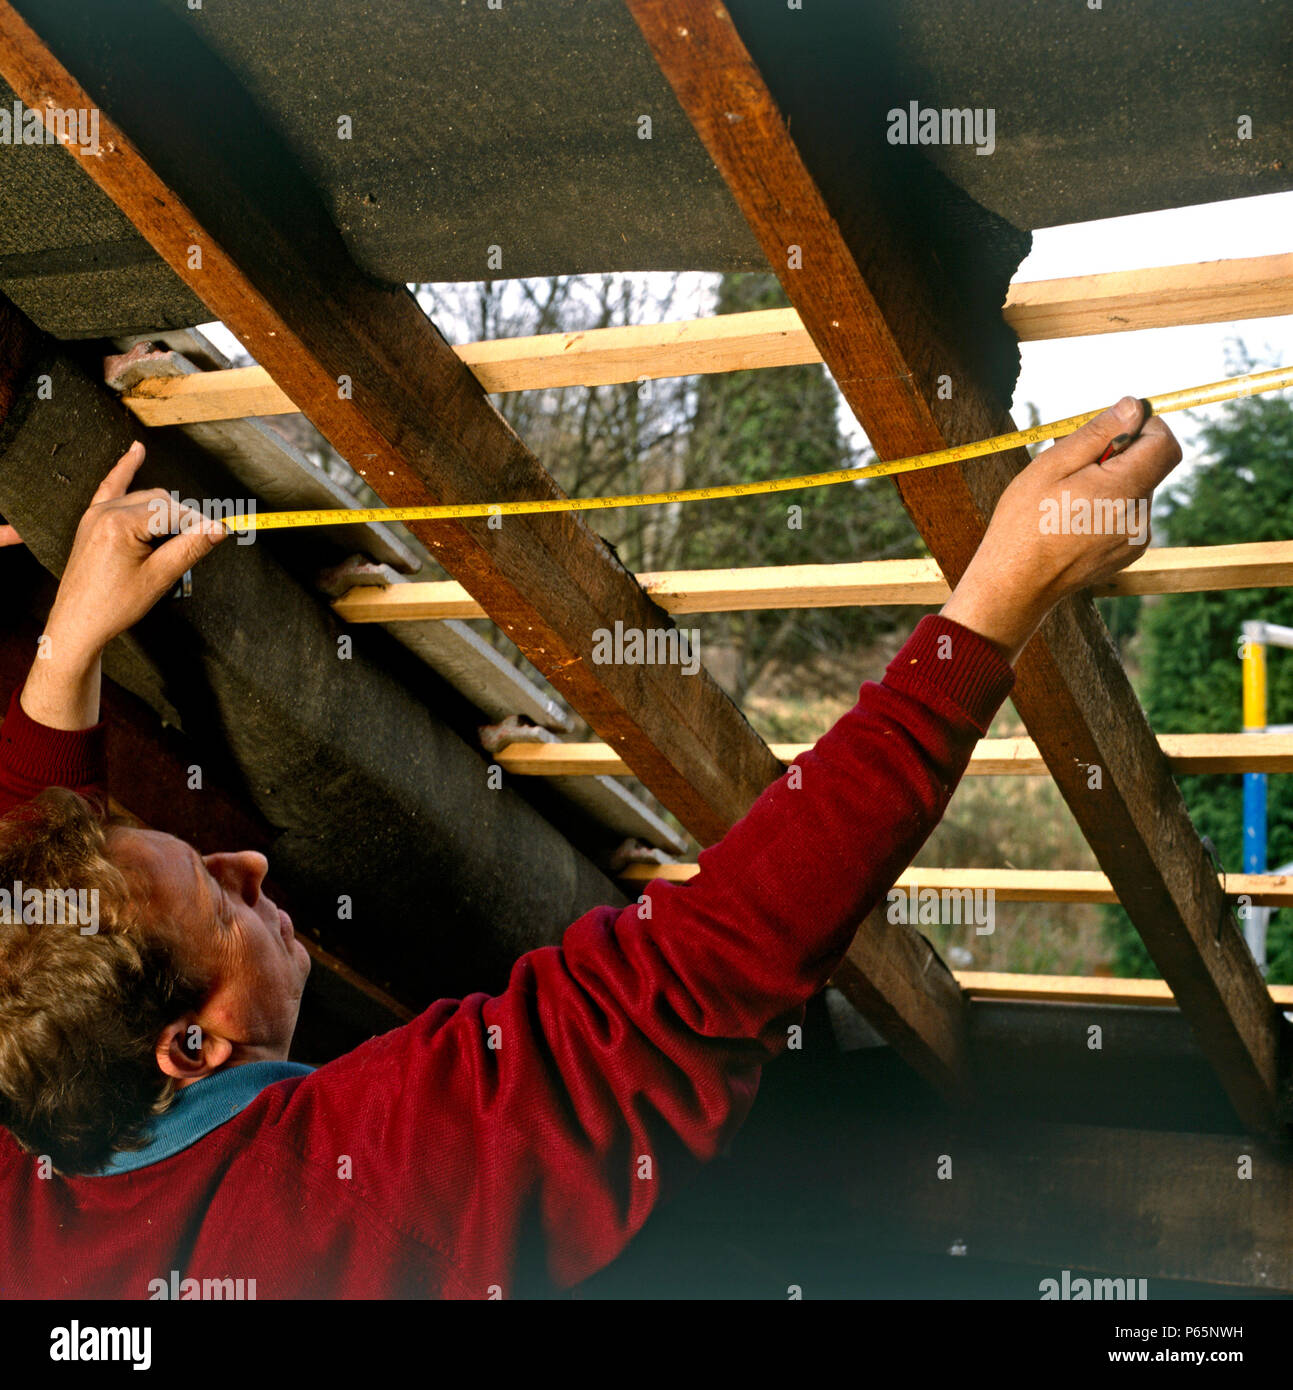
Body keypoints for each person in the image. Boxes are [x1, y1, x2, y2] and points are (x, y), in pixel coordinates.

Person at [0, 399, 1179, 1297]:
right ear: (190, 1044)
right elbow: (694, 971)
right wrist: (996, 607)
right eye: (215, 897)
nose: (247, 865)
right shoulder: (359, 1186)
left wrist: (64, 655)